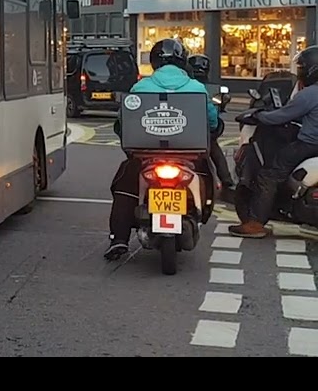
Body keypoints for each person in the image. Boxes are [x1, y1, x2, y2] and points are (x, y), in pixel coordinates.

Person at [104, 39, 220, 260]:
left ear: (154, 61)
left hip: (147, 156)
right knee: (208, 174)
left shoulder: (140, 87)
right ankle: (200, 211)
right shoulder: (197, 88)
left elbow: (124, 122)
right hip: (189, 156)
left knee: (124, 186)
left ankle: (118, 239)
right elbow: (212, 122)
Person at [232, 46, 318, 238]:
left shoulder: (310, 94)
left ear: (312, 70)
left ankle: (255, 223)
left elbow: (280, 116)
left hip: (309, 144)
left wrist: (259, 115)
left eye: (302, 67)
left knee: (269, 175)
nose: (300, 71)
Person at [188, 54, 234, 195]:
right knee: (213, 146)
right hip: (200, 129)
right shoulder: (197, 87)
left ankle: (225, 180)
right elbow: (213, 117)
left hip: (181, 127)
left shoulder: (189, 84)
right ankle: (226, 179)